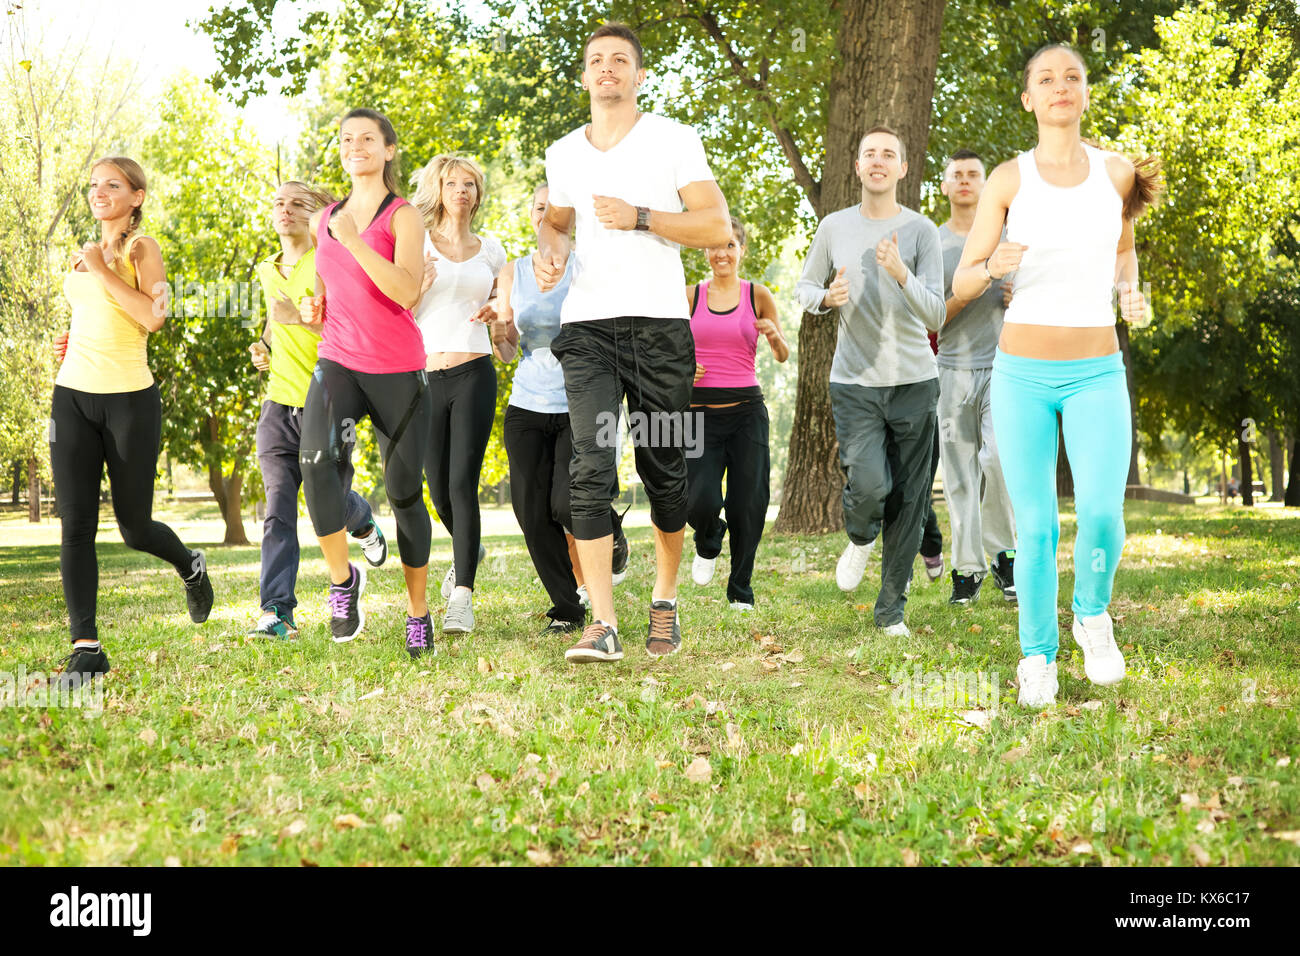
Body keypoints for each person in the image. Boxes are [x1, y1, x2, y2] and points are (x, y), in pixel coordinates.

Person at [953, 44, 1161, 707]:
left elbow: (1124, 251)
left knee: (1101, 511)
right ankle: (1037, 655)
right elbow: (962, 278)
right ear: (1029, 99)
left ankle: (1092, 615)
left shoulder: (1117, 173)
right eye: (1046, 78)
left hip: (1097, 369)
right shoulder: (1008, 181)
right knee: (1035, 527)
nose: (1060, 86)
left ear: (1086, 92)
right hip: (1022, 374)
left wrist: (1133, 292)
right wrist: (994, 265)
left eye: (1072, 76)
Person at [536, 21, 732, 663]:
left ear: (639, 75)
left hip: (658, 331)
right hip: (589, 328)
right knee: (589, 469)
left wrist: (643, 216)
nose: (608, 68)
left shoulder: (674, 139)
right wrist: (550, 253)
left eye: (620, 59)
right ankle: (604, 624)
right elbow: (559, 225)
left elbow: (714, 226)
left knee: (665, 471)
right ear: (584, 75)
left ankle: (665, 601)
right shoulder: (563, 152)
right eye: (597, 60)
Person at [49, 156, 214, 689]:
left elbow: (154, 316)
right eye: (94, 184)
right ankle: (86, 647)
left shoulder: (141, 248)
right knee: (75, 524)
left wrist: (99, 267)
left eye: (112, 185)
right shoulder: (86, 253)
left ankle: (189, 565)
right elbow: (96, 315)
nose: (100, 192)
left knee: (134, 527)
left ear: (136, 196)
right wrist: (71, 342)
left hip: (129, 402)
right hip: (72, 396)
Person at [795, 125, 945, 637]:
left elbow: (938, 315)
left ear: (903, 168)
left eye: (889, 155)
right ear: (857, 167)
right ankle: (859, 537)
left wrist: (903, 273)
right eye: (869, 154)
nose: (878, 161)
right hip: (854, 383)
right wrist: (824, 299)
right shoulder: (834, 226)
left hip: (915, 383)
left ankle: (891, 612)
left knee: (910, 497)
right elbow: (804, 286)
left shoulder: (922, 231)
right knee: (870, 484)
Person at [298, 108, 437, 657]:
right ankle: (342, 581)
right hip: (338, 362)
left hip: (399, 371)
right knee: (315, 465)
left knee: (404, 495)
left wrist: (355, 242)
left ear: (388, 151)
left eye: (367, 139)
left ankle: (418, 613)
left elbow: (405, 292)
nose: (355, 145)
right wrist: (314, 310)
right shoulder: (324, 218)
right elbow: (329, 293)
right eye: (346, 138)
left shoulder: (403, 216)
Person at [247, 181, 389, 640]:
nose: (285, 211)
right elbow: (276, 316)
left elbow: (355, 318)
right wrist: (264, 345)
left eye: (297, 204)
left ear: (319, 214)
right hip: (277, 402)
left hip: (327, 396)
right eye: (278, 203)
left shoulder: (331, 260)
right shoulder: (267, 268)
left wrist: (315, 317)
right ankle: (277, 611)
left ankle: (361, 519)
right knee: (278, 509)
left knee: (323, 502)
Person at [491, 186, 630, 633]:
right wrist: (498, 331)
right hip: (527, 404)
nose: (547, 215)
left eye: (555, 209)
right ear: (535, 218)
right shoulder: (513, 271)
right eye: (539, 207)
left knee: (567, 503)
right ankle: (567, 607)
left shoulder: (589, 270)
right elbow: (509, 351)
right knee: (531, 511)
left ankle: (611, 528)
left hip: (580, 401)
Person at [410, 154, 505, 636]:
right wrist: (417, 286)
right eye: (453, 184)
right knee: (437, 490)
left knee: (463, 483)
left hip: (473, 372)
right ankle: (471, 546)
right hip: (426, 377)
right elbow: (397, 307)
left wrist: (496, 310)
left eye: (470, 184)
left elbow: (505, 311)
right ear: (439, 190)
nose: (462, 191)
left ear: (477, 193)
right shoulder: (419, 243)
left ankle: (463, 595)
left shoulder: (493, 250)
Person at [685, 216, 789, 611]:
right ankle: (708, 537)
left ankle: (740, 588)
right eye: (714, 245)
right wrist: (683, 366)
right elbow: (668, 349)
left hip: (747, 411)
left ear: (741, 249)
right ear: (704, 251)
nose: (721, 253)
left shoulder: (757, 295)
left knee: (749, 504)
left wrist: (776, 338)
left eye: (729, 245)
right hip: (698, 414)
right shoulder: (690, 296)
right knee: (699, 500)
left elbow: (781, 355)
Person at [935, 149, 1018, 605]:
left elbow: (1033, 300)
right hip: (952, 371)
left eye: (974, 175)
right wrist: (973, 285)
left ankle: (1006, 558)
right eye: (957, 176)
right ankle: (966, 570)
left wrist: (1013, 294)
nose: (965, 181)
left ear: (986, 185)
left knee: (999, 461)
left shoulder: (1008, 239)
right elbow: (930, 318)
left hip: (1004, 368)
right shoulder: (934, 243)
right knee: (960, 473)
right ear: (945, 186)